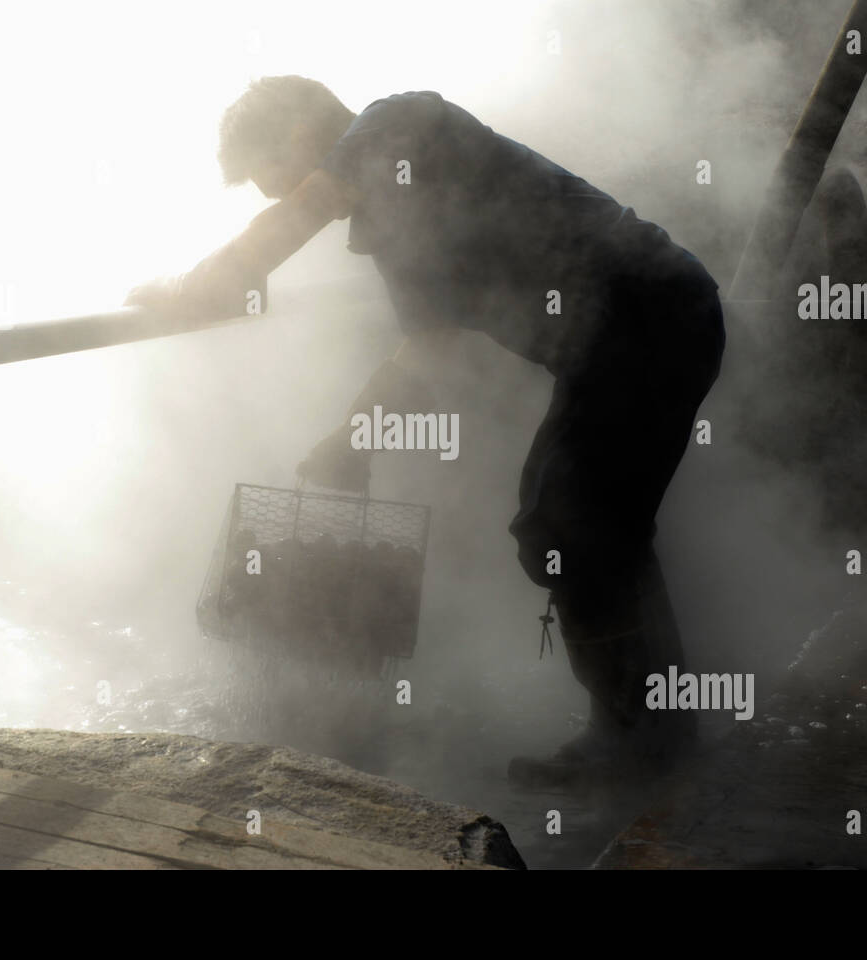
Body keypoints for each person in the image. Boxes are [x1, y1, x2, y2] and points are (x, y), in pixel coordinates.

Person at [127, 76, 725, 786]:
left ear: (296, 135)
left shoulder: (398, 123)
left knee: (570, 528)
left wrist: (198, 287)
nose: (271, 196)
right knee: (572, 530)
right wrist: (354, 435)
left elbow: (307, 208)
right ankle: (651, 730)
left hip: (650, 318)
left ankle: (641, 738)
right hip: (611, 349)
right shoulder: (392, 234)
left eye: (269, 177)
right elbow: (431, 347)